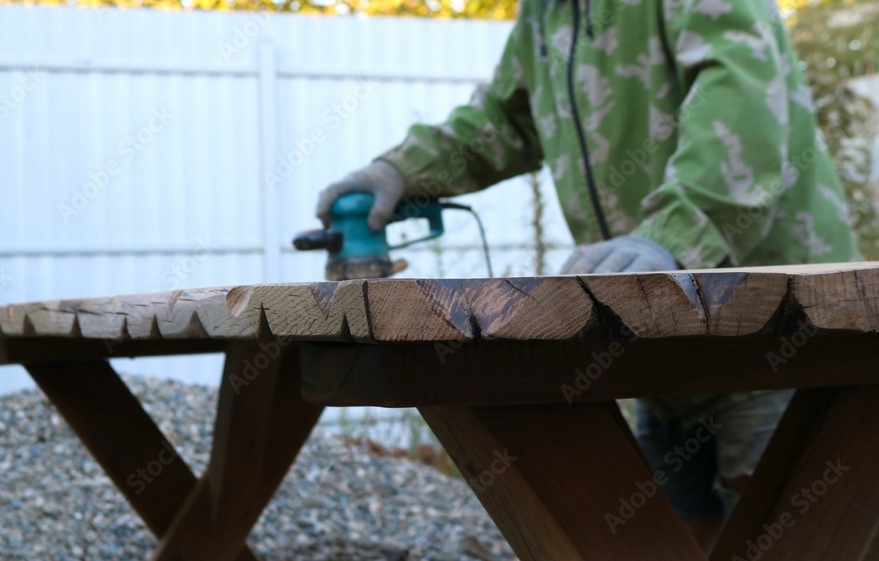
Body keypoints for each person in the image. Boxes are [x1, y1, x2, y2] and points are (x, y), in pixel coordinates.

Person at [314, 0, 860, 552]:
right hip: (664, 330)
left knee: (795, 538)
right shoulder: (543, 13)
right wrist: (402, 168)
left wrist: (674, 233)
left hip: (774, 322)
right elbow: (504, 121)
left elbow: (745, 101)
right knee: (671, 538)